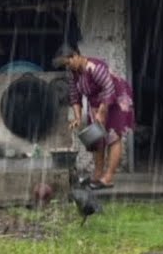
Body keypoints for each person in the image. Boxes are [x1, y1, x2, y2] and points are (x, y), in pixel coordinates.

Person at [54, 44, 134, 189]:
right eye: (65, 65)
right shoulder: (73, 73)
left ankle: (108, 178)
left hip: (116, 100)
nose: (68, 67)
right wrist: (78, 117)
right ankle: (97, 175)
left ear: (76, 55)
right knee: (97, 137)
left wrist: (102, 112)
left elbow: (109, 89)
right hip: (96, 102)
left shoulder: (95, 67)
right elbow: (74, 95)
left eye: (68, 63)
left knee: (113, 137)